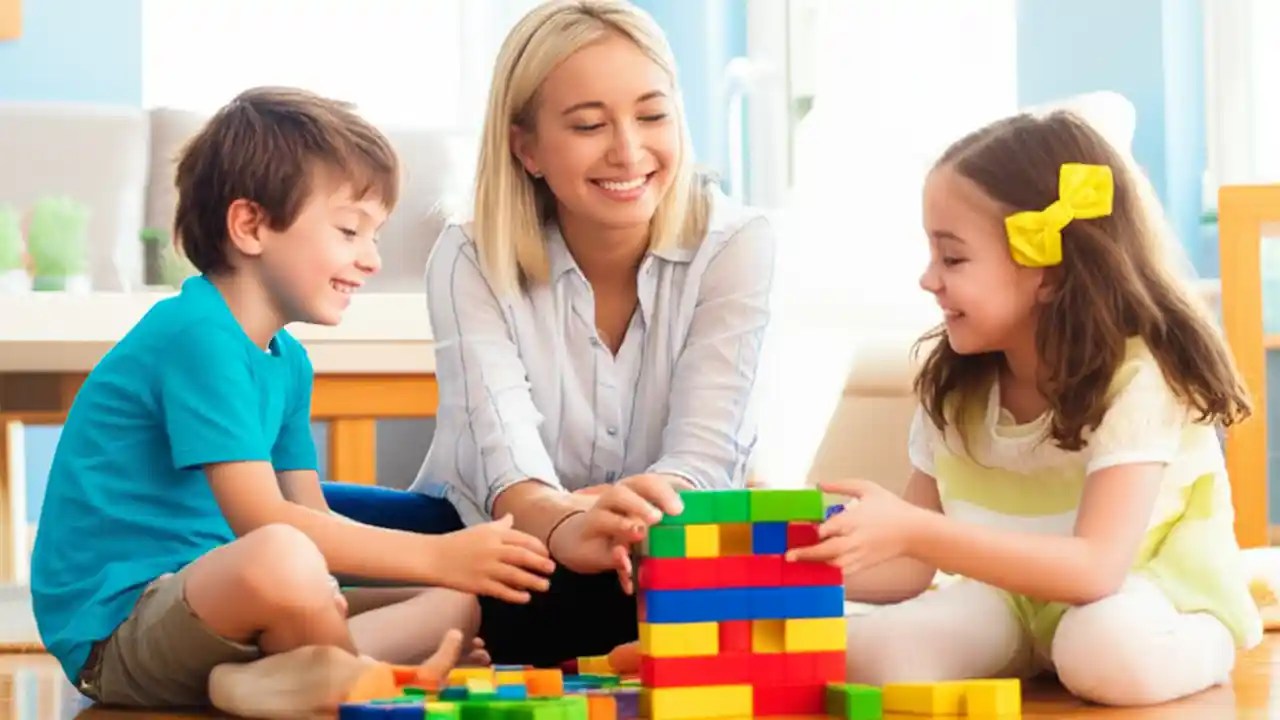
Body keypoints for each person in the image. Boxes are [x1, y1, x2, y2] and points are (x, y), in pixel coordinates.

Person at [30, 86, 555, 710]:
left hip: (222, 606)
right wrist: (441, 551)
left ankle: (279, 681)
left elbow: (313, 517)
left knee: (451, 603)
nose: (370, 259)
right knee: (285, 554)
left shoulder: (287, 361)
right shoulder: (197, 334)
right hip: (119, 632)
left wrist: (440, 570)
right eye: (349, 231)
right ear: (251, 225)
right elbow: (266, 521)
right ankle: (348, 682)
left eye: (375, 236)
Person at [788, 109, 1262, 706]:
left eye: (953, 258)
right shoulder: (955, 390)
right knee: (874, 655)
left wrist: (914, 530)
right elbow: (907, 570)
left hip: (1145, 596)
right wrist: (771, 562)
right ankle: (1043, 652)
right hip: (1011, 603)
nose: (927, 280)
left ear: (1050, 271)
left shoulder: (1138, 382)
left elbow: (1095, 570)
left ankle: (1210, 641)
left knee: (1104, 648)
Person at [400, 0, 776, 666]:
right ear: (527, 147)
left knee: (704, 576)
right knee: (292, 528)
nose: (629, 150)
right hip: (492, 545)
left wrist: (622, 520)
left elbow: (703, 460)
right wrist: (572, 523)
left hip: (650, 553)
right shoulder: (469, 256)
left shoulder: (736, 244)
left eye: (653, 115)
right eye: (588, 125)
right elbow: (508, 474)